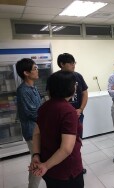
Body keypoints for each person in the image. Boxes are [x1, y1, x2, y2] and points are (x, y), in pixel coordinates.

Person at [30, 70, 84, 188]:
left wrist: (36, 155)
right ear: (69, 88)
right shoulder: (68, 111)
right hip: (66, 171)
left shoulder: (44, 106)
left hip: (49, 168)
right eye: (74, 85)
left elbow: (36, 133)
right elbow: (66, 149)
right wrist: (45, 166)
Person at [57, 53, 88, 174]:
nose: (73, 65)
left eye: (74, 62)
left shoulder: (78, 76)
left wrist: (80, 109)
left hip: (78, 116)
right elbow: (52, 97)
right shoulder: (55, 78)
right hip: (62, 117)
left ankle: (77, 167)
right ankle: (65, 167)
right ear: (62, 64)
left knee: (77, 143)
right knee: (64, 144)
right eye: (70, 63)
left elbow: (85, 93)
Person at [16, 58, 42, 188]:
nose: (37, 70)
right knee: (38, 160)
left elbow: (39, 108)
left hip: (38, 130)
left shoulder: (33, 87)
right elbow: (32, 113)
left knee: (37, 159)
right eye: (35, 68)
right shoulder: (23, 91)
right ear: (26, 73)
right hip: (32, 132)